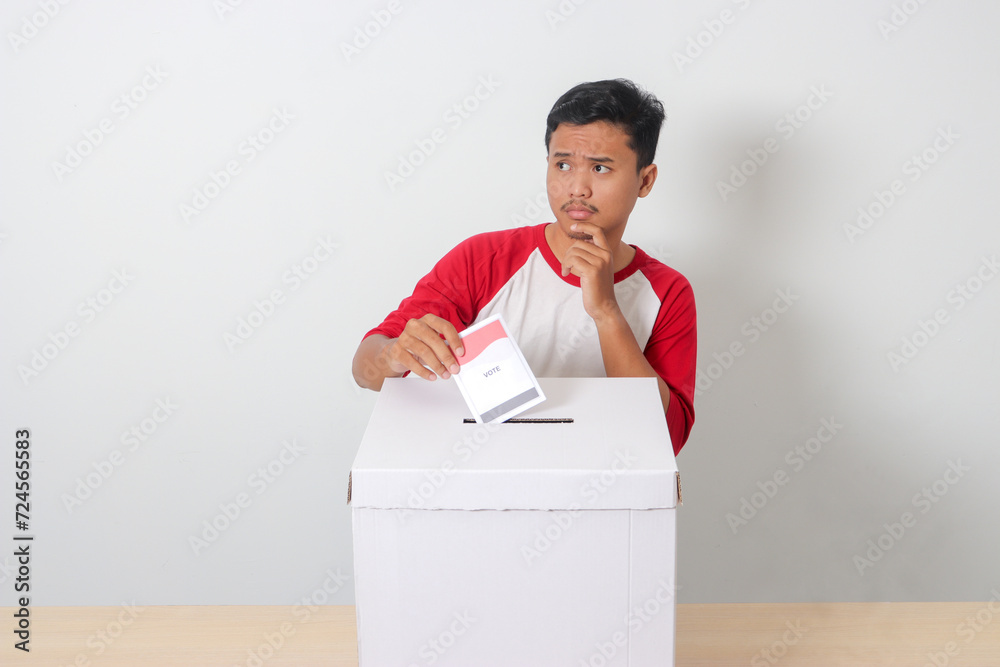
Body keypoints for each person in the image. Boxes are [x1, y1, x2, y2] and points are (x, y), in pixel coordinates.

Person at [352, 78, 697, 453]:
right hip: (474, 483)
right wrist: (392, 355)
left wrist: (606, 312)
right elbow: (364, 370)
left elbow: (668, 438)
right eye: (562, 164)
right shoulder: (482, 258)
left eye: (600, 169)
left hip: (600, 494)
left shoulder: (668, 292)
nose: (576, 188)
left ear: (645, 180)